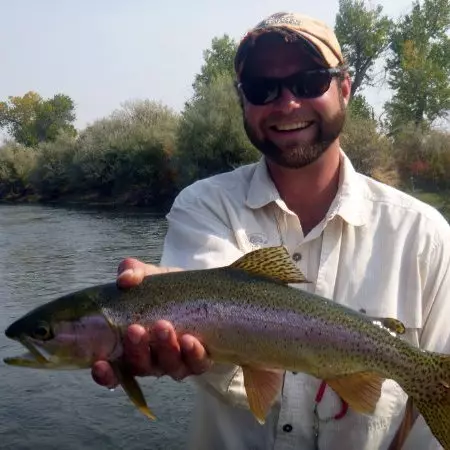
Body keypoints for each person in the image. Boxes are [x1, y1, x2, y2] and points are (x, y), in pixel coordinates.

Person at [91, 11, 450, 450]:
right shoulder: (203, 207)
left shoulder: (424, 236)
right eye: (263, 88)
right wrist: (182, 317)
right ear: (244, 102)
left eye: (309, 81)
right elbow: (209, 329)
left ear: (345, 88)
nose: (287, 103)